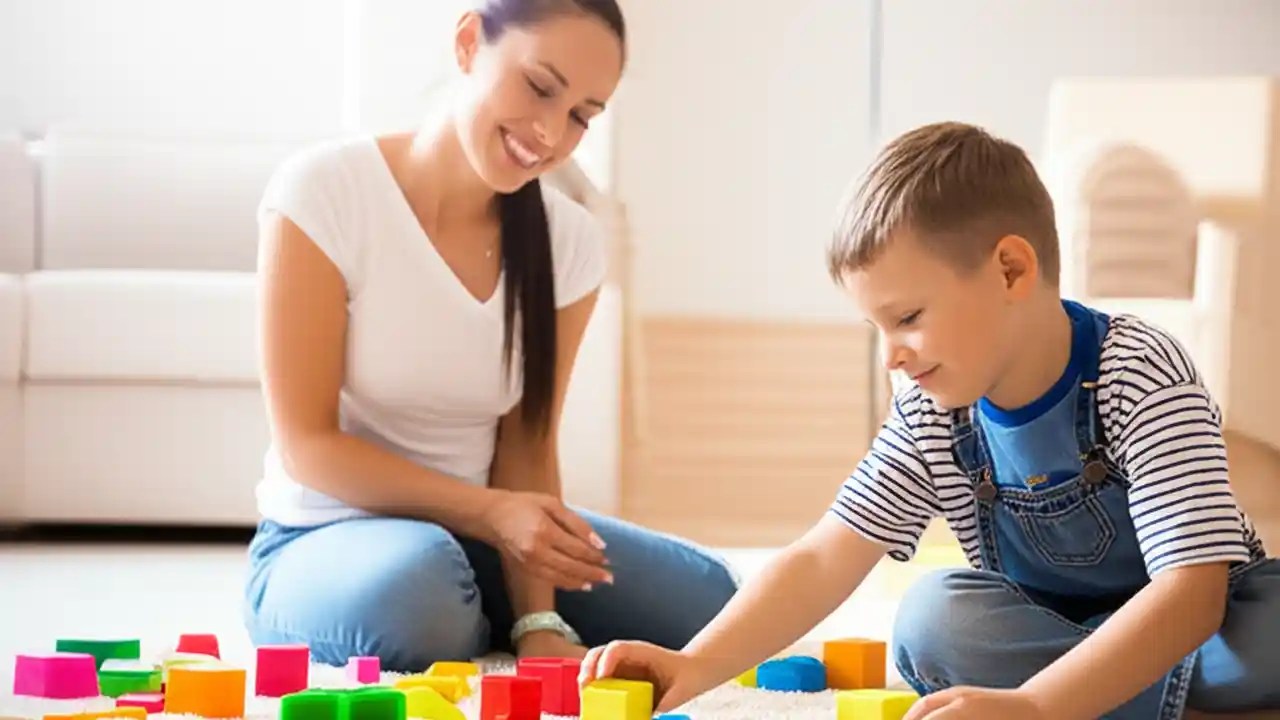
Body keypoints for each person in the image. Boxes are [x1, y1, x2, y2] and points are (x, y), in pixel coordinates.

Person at [579, 122, 1279, 719]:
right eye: (877, 328)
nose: (891, 356)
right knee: (934, 621)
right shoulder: (932, 410)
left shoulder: (1139, 371)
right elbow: (824, 557)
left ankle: (1106, 696)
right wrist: (695, 663)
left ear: (1010, 270)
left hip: (1205, 619)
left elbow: (1193, 595)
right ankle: (1143, 697)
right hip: (1048, 628)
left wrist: (1037, 706)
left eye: (908, 317)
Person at [241, 0, 738, 671]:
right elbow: (308, 447)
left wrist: (539, 619)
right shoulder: (326, 190)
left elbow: (528, 444)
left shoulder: (568, 241)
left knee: (709, 602)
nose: (551, 133)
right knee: (420, 595)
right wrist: (490, 513)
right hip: (324, 537)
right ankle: (446, 611)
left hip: (481, 540)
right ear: (470, 43)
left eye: (582, 115)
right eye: (539, 87)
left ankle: (477, 609)